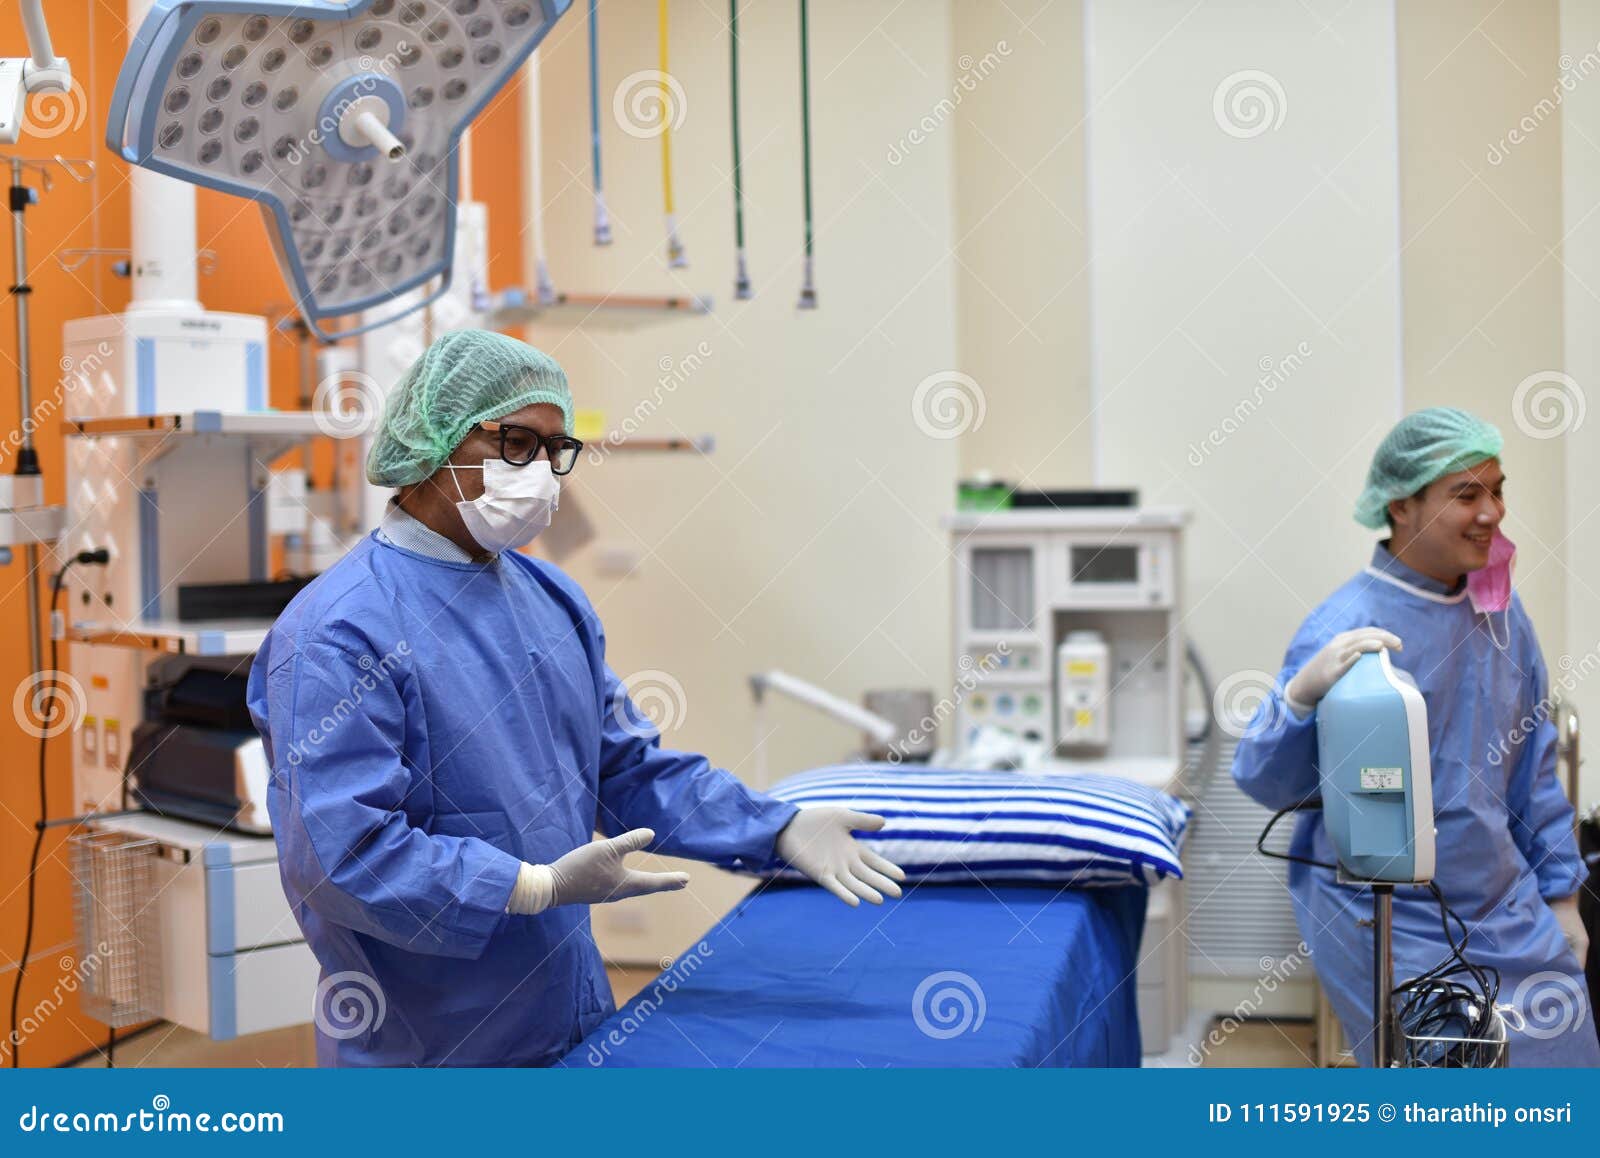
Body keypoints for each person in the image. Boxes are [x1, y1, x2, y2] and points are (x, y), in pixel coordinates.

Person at [247, 330, 905, 1067]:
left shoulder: (549, 597)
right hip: (430, 1047)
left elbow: (627, 771)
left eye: (554, 450)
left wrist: (774, 829)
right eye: (515, 443)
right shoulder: (338, 633)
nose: (539, 474)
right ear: (431, 443)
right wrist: (528, 887)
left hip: (569, 1015)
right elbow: (340, 858)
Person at [1232, 407, 1597, 1067]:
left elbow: (1533, 770)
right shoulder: (1348, 628)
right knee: (1452, 1102)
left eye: (1497, 489)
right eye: (1466, 494)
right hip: (1389, 915)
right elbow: (1266, 782)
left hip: (1503, 899)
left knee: (1564, 1072)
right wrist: (1298, 699)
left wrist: (1562, 894)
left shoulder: (1499, 611)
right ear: (1401, 505)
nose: (1492, 512)